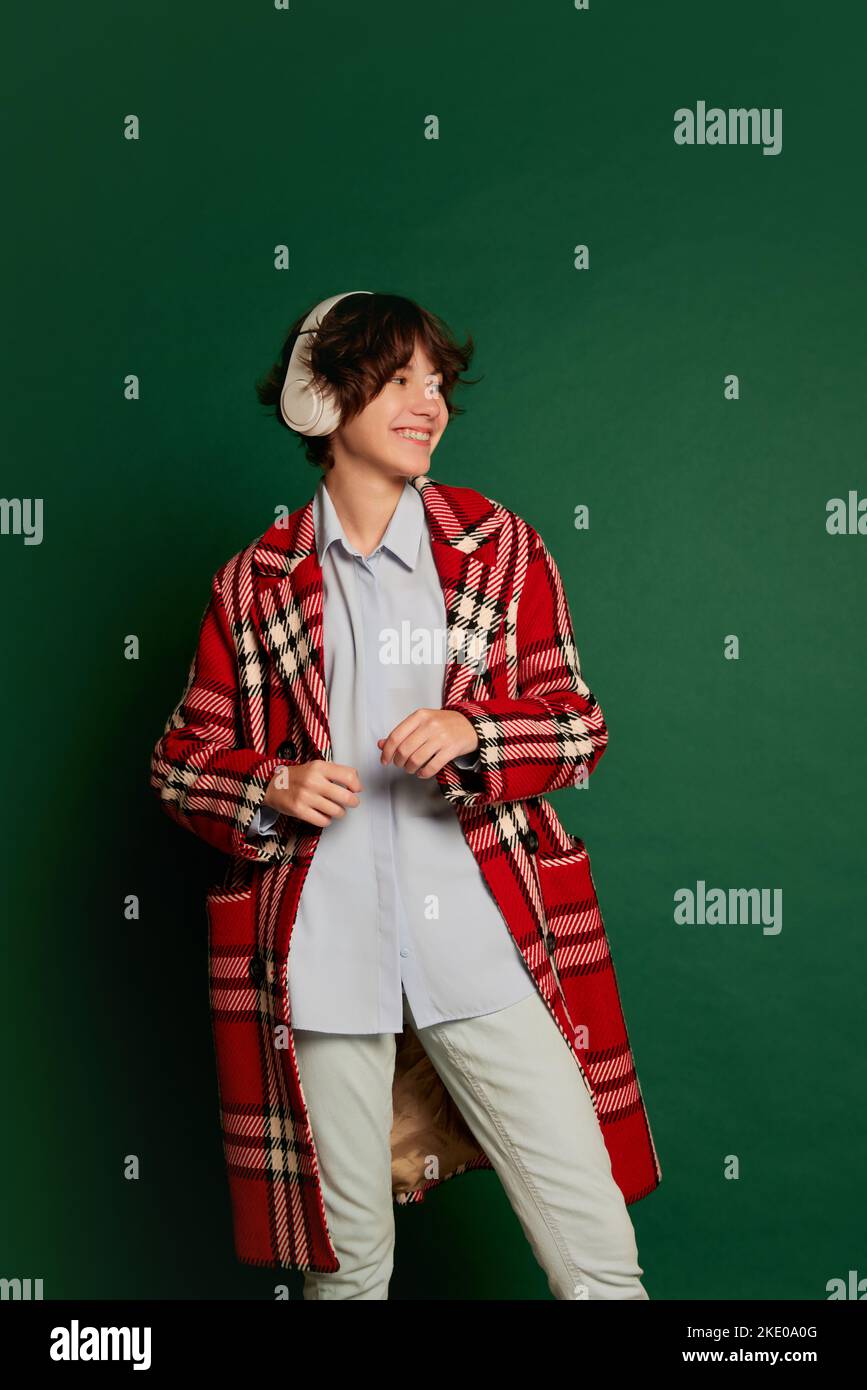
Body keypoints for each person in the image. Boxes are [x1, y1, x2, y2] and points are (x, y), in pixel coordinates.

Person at [150, 290, 660, 1299]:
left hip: (482, 938)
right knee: (347, 1277)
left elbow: (579, 725)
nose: (428, 402)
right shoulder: (253, 585)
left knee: (597, 1256)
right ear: (325, 401)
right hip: (324, 958)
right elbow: (178, 758)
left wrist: (479, 731)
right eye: (396, 381)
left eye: (437, 382)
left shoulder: (498, 547)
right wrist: (272, 781)